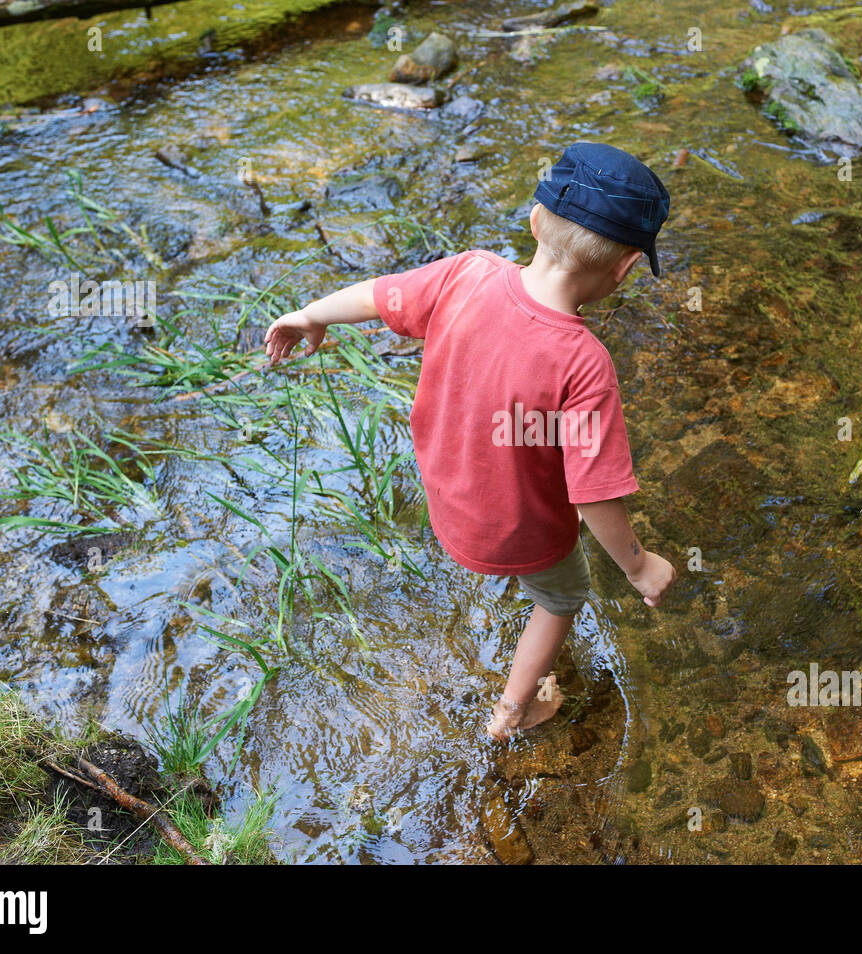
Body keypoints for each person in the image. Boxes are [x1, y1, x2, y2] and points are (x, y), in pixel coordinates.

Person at [264, 142, 677, 740]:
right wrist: (639, 568)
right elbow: (592, 496)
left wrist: (311, 314)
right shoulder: (585, 364)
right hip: (520, 533)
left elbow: (380, 296)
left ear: (534, 221)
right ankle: (514, 709)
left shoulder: (466, 272)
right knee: (564, 595)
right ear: (625, 268)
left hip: (449, 505)